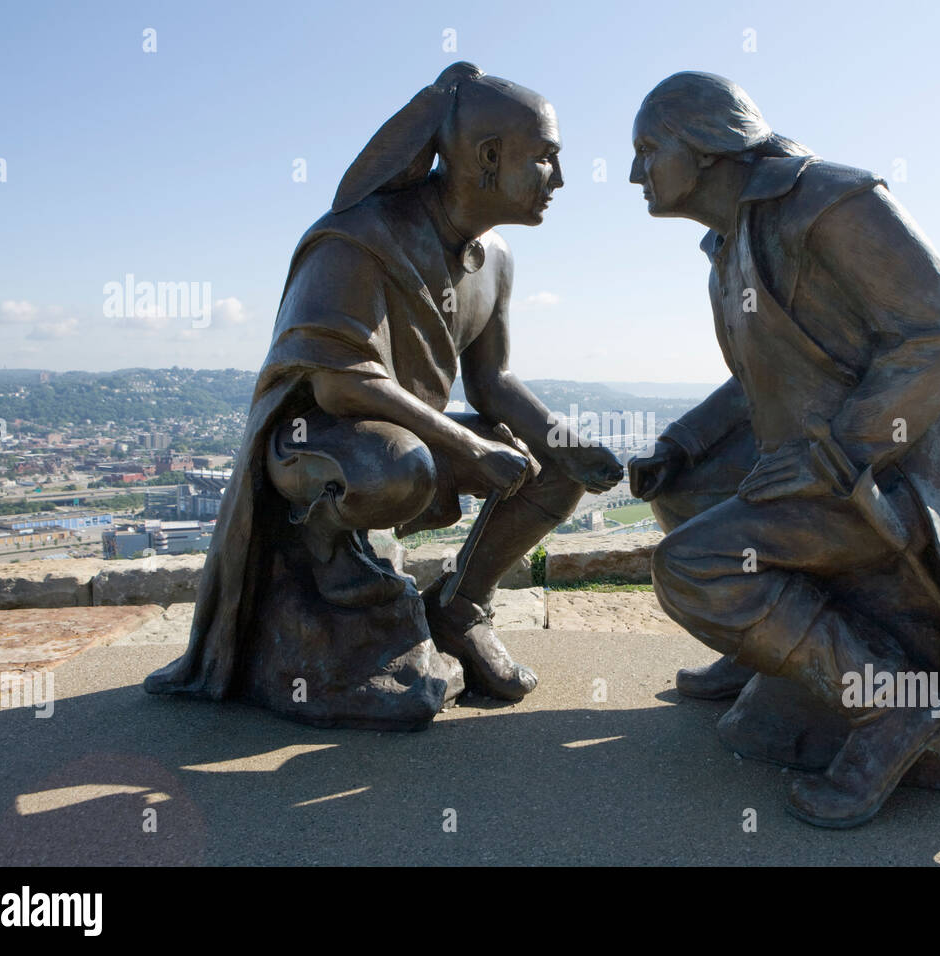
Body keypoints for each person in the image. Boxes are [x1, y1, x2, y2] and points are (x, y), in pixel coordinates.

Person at [627, 72, 940, 827]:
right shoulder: (731, 242)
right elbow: (758, 380)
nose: (636, 172)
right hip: (814, 453)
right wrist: (682, 444)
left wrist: (846, 446)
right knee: (686, 485)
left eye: (647, 149)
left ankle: (898, 708)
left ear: (706, 149)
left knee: (691, 567)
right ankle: (768, 652)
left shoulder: (829, 200)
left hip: (890, 472)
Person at [146, 62, 622, 705]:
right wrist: (470, 448)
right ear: (488, 156)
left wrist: (571, 443)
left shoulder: (496, 257)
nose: (559, 179)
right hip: (320, 445)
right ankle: (338, 584)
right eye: (544, 159)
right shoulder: (360, 237)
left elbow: (494, 381)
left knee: (557, 463)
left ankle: (461, 609)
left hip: (416, 440)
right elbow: (344, 385)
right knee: (401, 465)